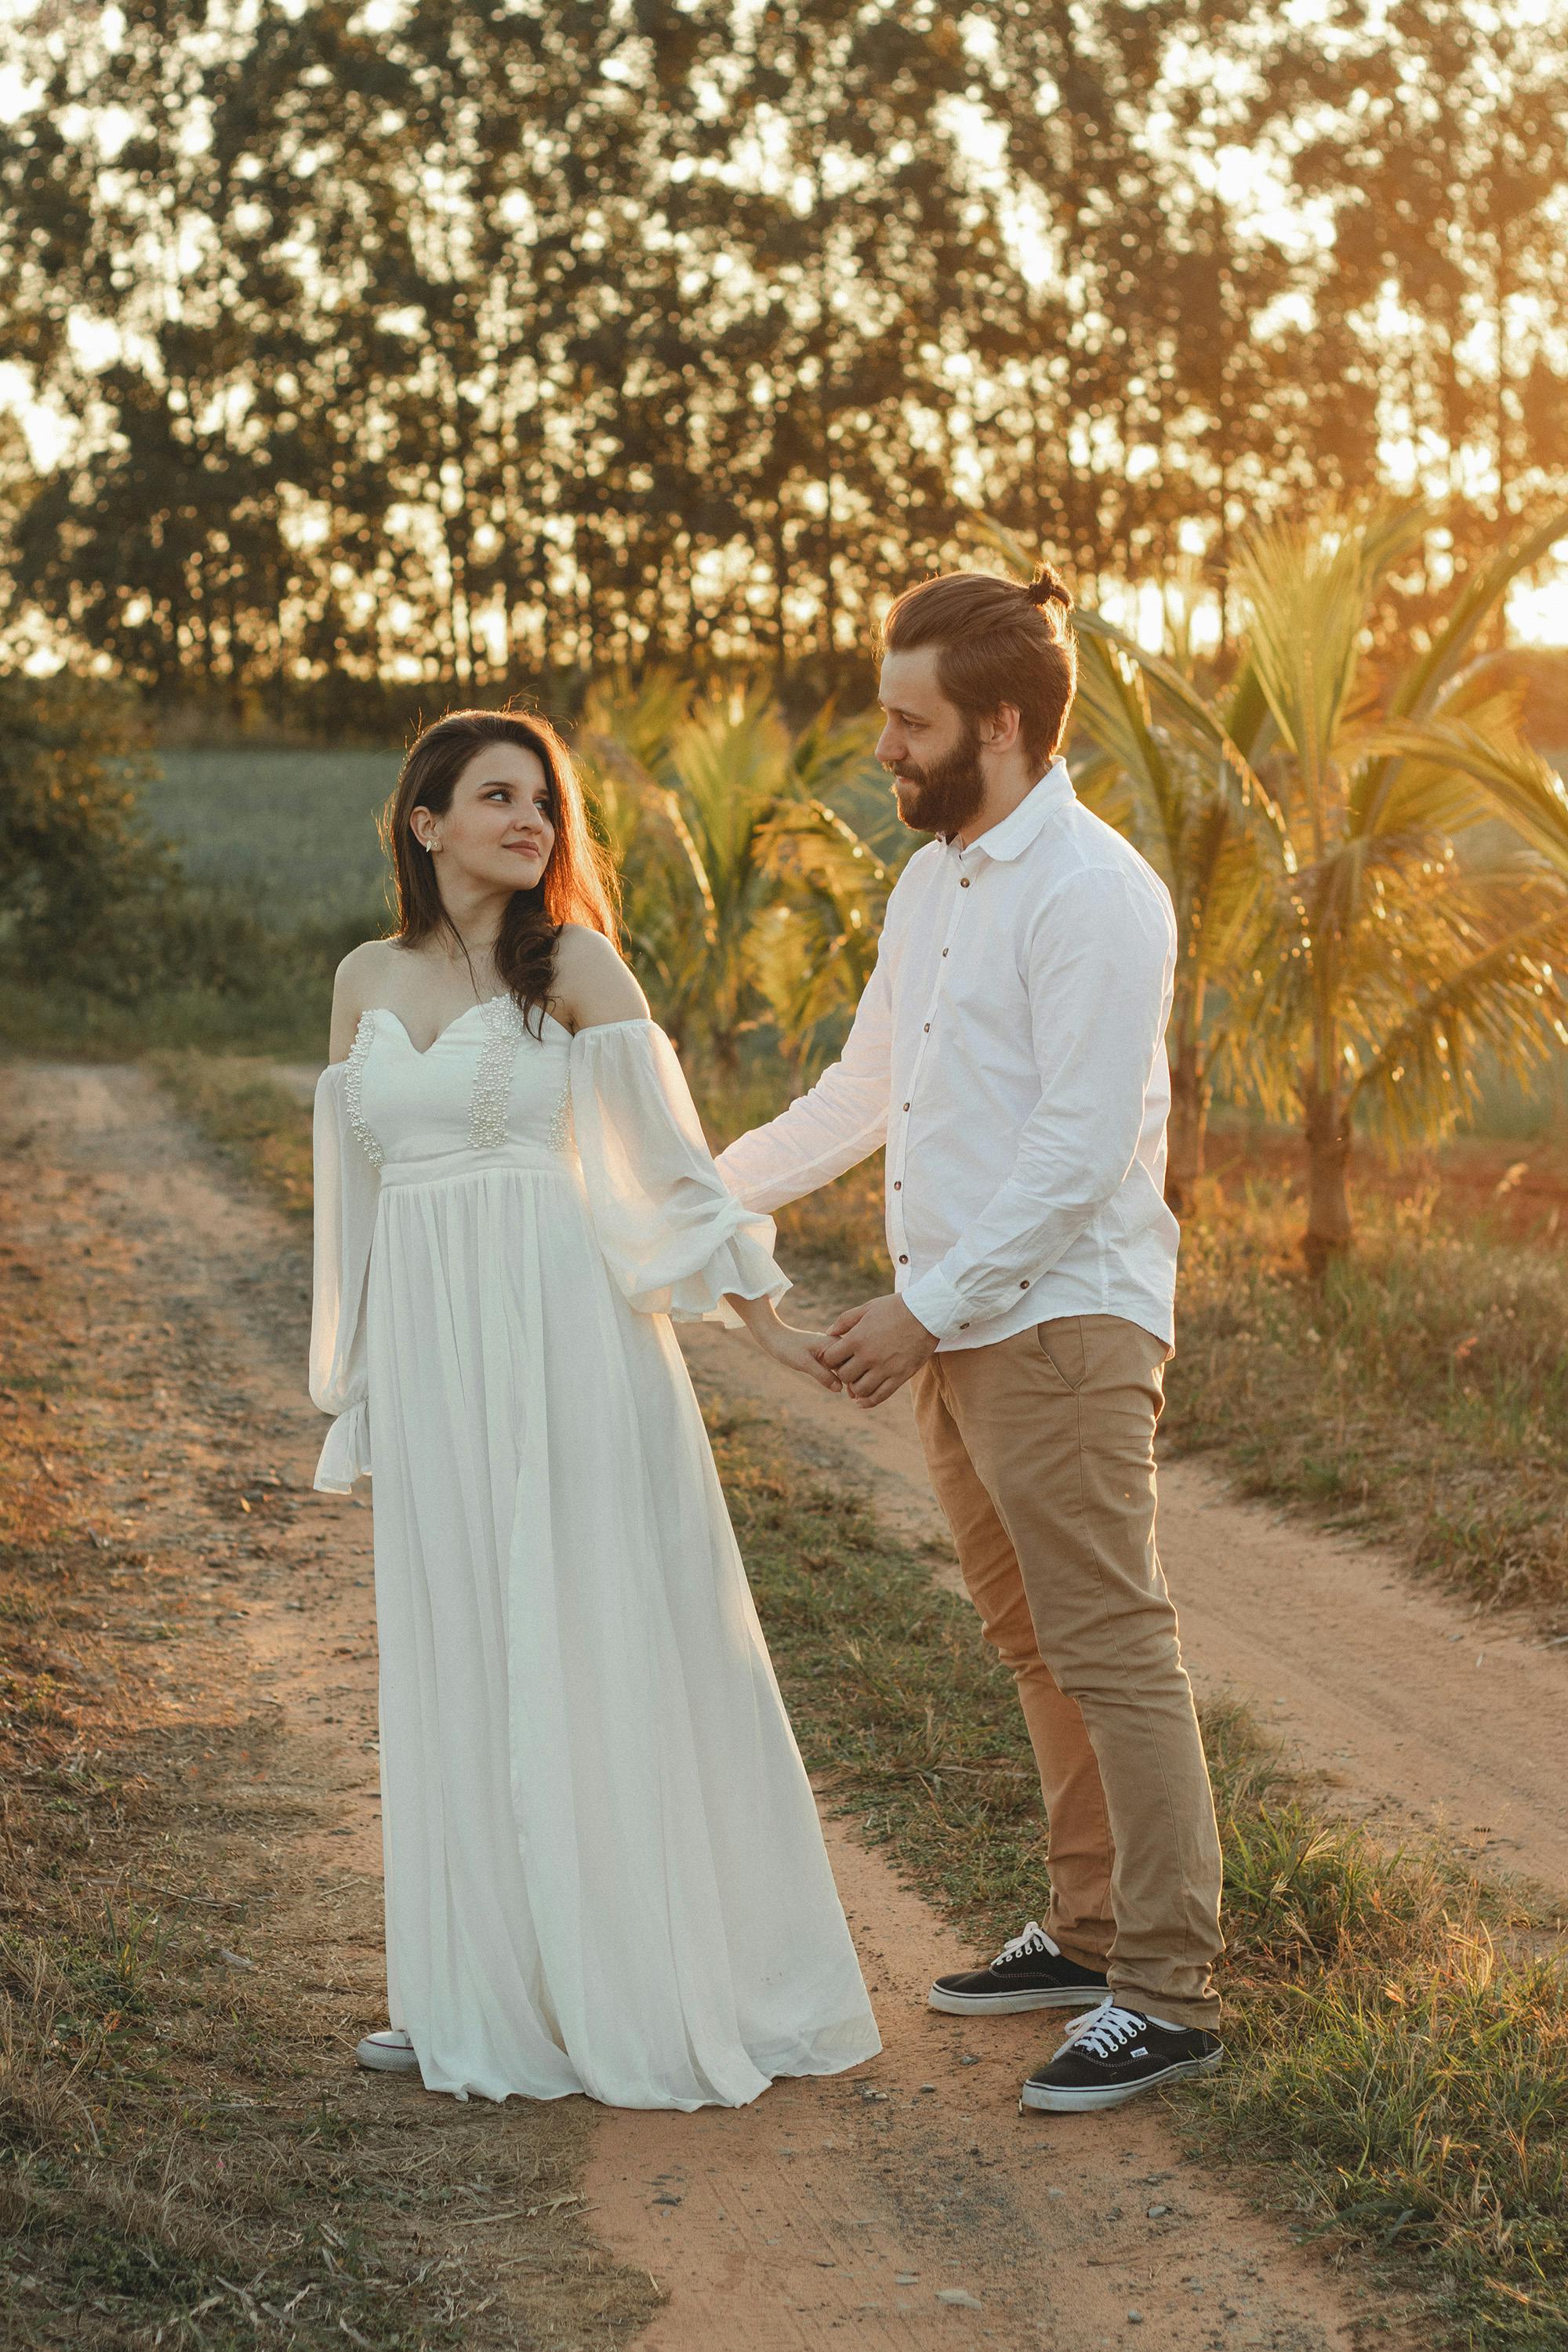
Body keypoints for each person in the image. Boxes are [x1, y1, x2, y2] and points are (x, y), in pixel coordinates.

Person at [308, 706, 880, 2111]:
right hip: (441, 1360)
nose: (532, 822)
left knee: (585, 1626)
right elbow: (356, 1202)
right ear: (424, 820)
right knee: (462, 1639)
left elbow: (676, 1170)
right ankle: (480, 1986)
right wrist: (362, 1384)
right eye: (497, 797)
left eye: (547, 804)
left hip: (566, 1339)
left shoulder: (567, 962)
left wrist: (767, 1322)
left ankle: (628, 1976)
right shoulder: (362, 978)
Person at [714, 566, 1225, 2114]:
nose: (883, 747)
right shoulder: (932, 882)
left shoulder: (1097, 893)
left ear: (1000, 724)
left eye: (907, 719)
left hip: (1061, 1322)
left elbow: (1076, 1150)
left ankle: (1168, 1990)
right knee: (1032, 1641)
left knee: (1112, 1642)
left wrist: (918, 1311)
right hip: (960, 1325)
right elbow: (862, 1096)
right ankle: (1084, 1933)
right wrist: (685, 1192)